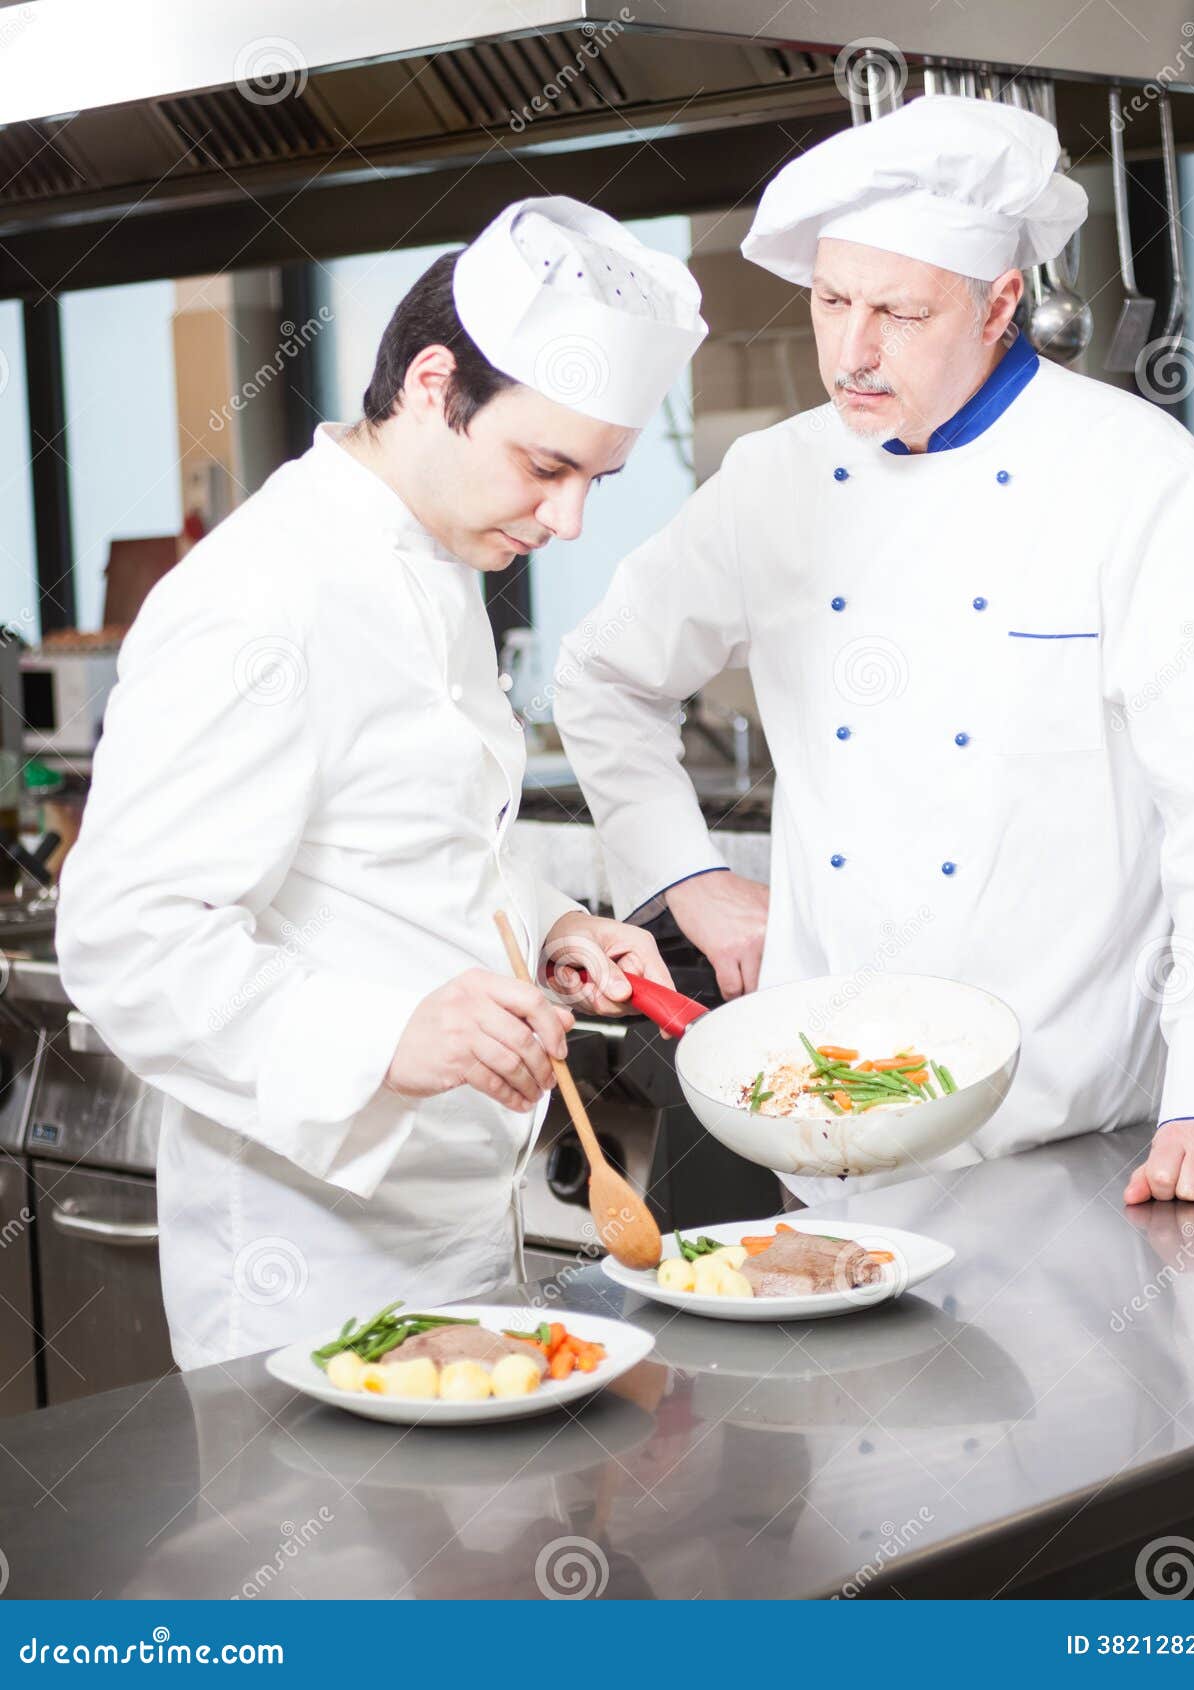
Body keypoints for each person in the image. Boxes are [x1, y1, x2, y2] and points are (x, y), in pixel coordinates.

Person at [553, 98, 1194, 1208]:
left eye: (900, 313)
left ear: (999, 301)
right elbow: (604, 672)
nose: (852, 351)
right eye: (830, 301)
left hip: (1073, 1138)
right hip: (834, 1137)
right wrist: (687, 876)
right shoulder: (774, 480)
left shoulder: (1131, 474)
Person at [57, 197, 707, 1367]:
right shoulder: (260, 595)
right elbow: (122, 940)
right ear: (429, 385)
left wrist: (550, 923)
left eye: (596, 481)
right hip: (310, 1271)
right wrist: (388, 1035)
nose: (565, 518)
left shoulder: (441, 552)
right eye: (545, 465)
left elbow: (425, 835)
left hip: (459, 1231)